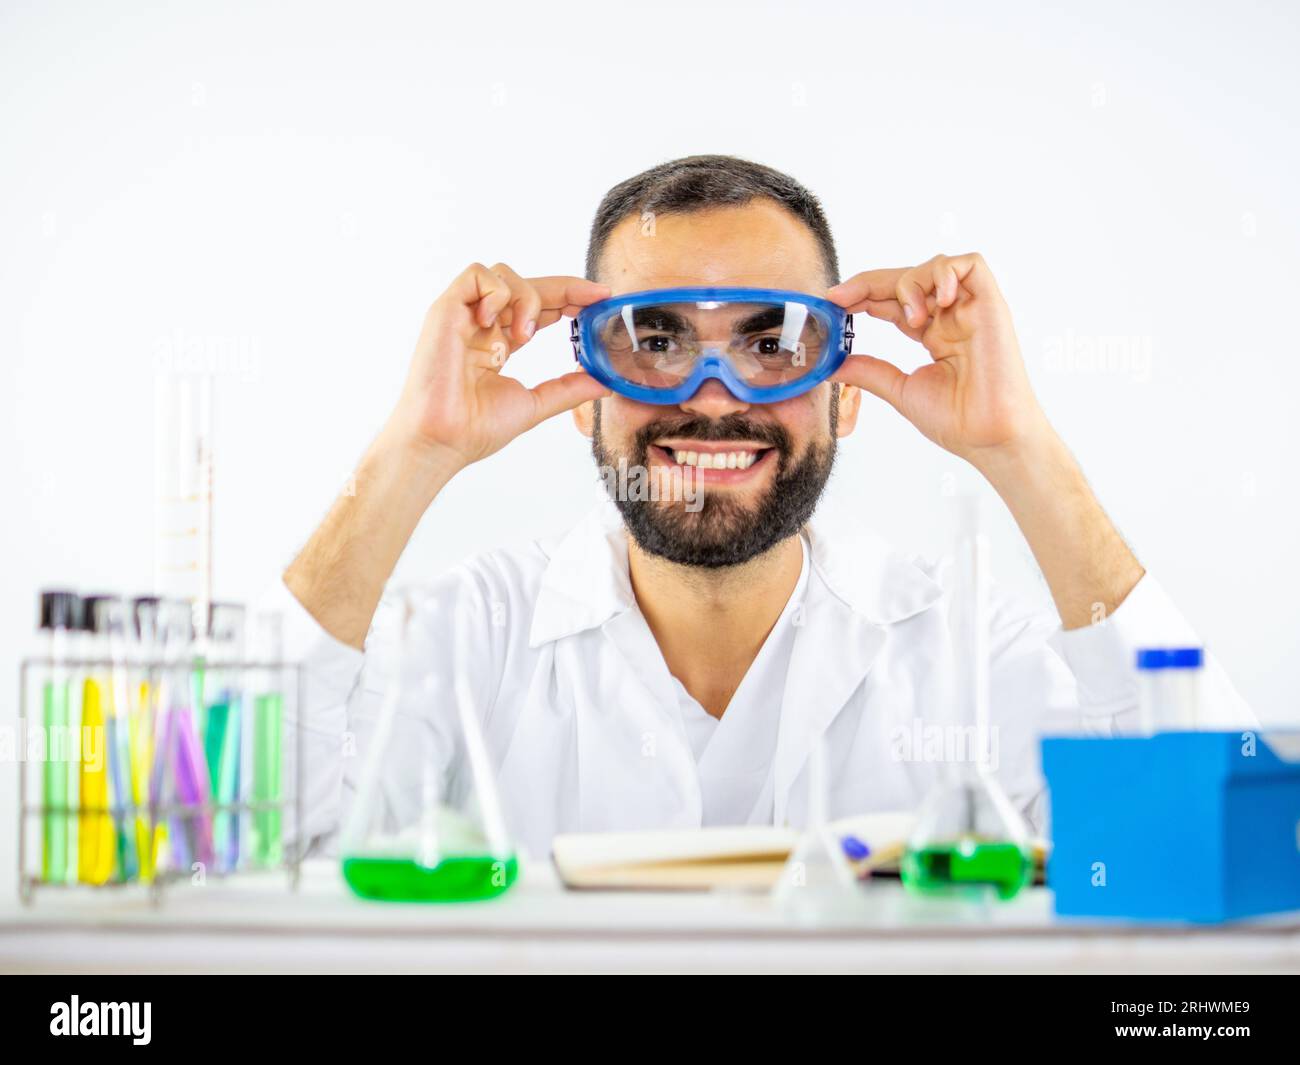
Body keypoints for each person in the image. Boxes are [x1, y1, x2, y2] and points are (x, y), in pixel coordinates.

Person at [269, 155, 1252, 858]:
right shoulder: (468, 639)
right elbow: (230, 851)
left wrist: (1021, 449)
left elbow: (1227, 845)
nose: (711, 394)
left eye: (773, 339)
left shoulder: (963, 657)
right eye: (651, 340)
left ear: (847, 389)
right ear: (584, 395)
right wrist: (411, 454)